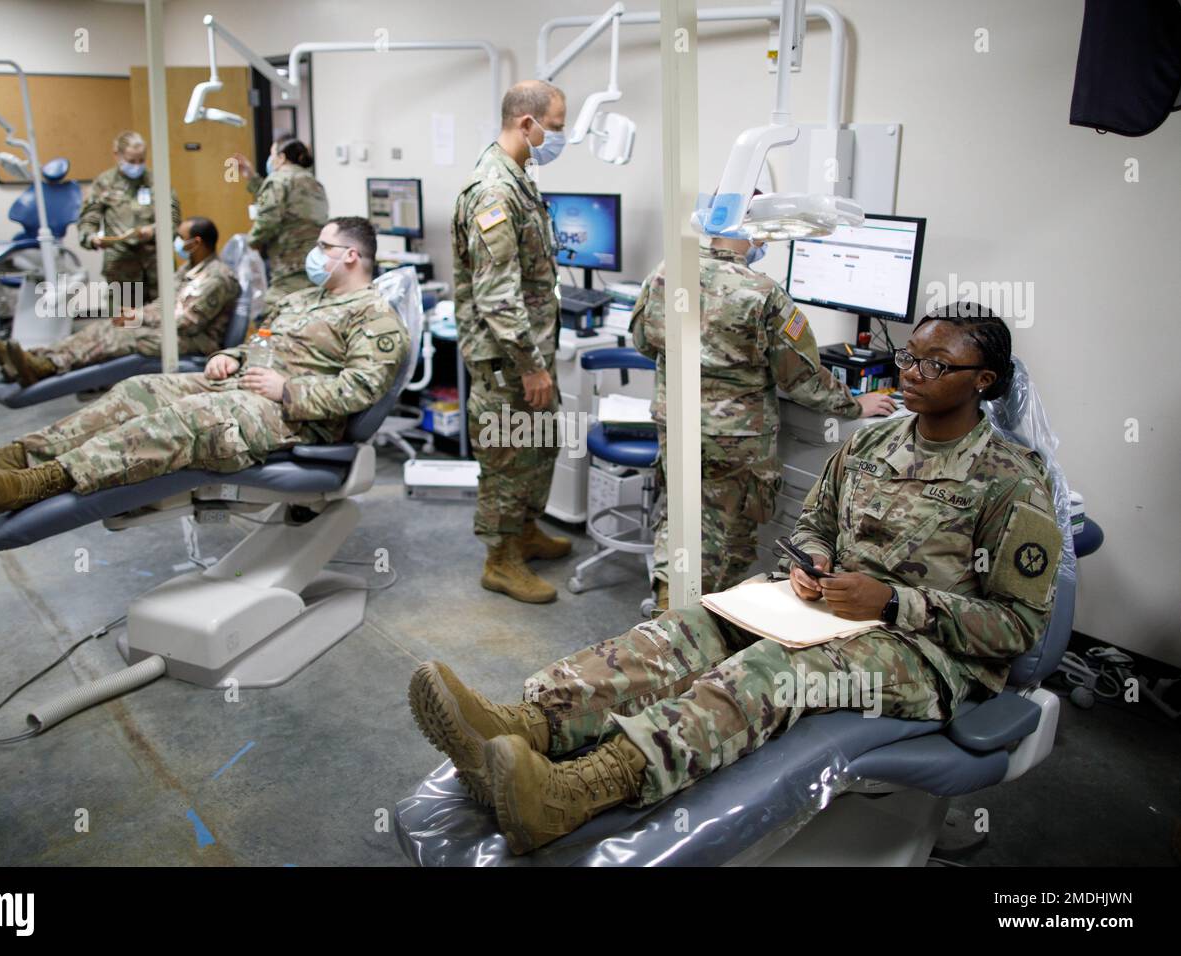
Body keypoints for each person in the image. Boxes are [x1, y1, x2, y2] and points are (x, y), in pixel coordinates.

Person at [408, 303, 1064, 855]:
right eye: (908, 359)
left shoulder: (1010, 478)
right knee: (686, 629)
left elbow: (1018, 627)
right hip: (829, 611)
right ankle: (528, 725)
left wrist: (895, 601)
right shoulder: (872, 444)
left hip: (925, 652)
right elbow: (813, 525)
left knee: (772, 671)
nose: (912, 374)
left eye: (934, 365)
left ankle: (578, 792)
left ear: (983, 380)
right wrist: (813, 566)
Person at [0, 217, 407, 514]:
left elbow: (361, 389)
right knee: (140, 389)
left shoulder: (375, 316)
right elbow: (260, 339)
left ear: (350, 255)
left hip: (295, 417)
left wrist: (287, 390)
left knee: (185, 419)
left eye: (323, 247)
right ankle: (19, 454)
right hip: (243, 385)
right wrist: (228, 356)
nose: (313, 254)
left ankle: (40, 481)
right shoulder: (301, 299)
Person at [631, 236, 896, 604]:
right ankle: (687, 628)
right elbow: (802, 378)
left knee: (680, 517)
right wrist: (854, 404)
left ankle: (667, 606)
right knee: (729, 536)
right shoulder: (764, 293)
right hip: (734, 438)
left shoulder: (666, 271)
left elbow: (643, 341)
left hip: (675, 422)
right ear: (753, 235)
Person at [452, 79, 571, 605]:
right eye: (557, 127)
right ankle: (499, 560)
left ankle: (523, 533)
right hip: (507, 362)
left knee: (539, 445)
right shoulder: (494, 191)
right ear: (528, 124)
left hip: (530, 352)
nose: (559, 137)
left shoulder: (518, 176)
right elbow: (497, 294)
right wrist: (530, 366)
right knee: (507, 457)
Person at [0, 217, 240, 385]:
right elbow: (163, 306)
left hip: (197, 341)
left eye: (180, 237)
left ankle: (47, 366)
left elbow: (188, 322)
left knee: (124, 337)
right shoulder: (186, 270)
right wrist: (135, 315)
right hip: (173, 330)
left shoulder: (217, 277)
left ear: (196, 243)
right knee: (108, 326)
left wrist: (139, 319)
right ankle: (30, 358)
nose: (176, 242)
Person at [76, 130, 182, 306]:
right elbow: (88, 218)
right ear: (117, 155)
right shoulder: (104, 183)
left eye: (141, 160)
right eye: (131, 161)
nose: (137, 166)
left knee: (162, 321)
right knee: (126, 325)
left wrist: (154, 231)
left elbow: (174, 219)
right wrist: (92, 238)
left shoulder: (157, 181)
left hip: (156, 264)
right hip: (121, 266)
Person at [231, 137, 328, 312]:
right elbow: (286, 204)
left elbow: (269, 218)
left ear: (281, 157)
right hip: (314, 262)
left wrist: (252, 242)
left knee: (276, 313)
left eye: (272, 155)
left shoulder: (277, 180)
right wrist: (252, 178)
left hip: (288, 264)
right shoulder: (313, 182)